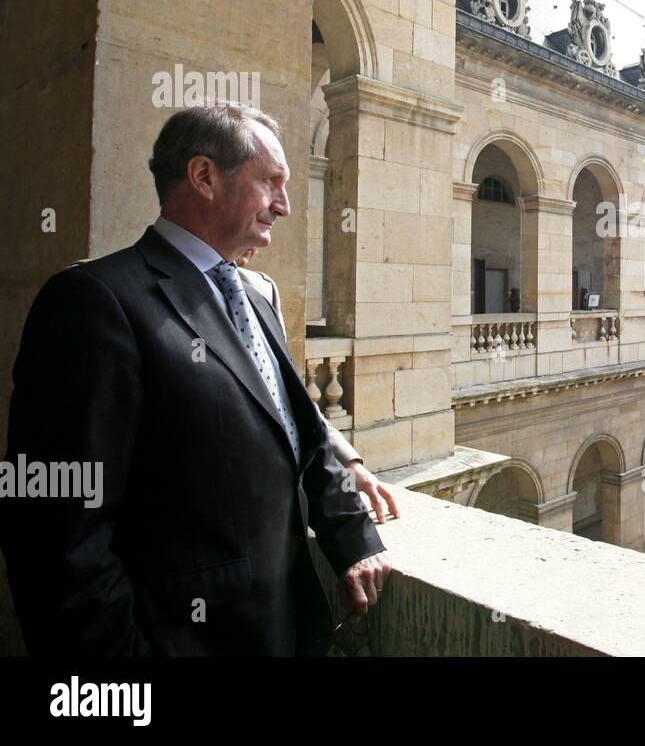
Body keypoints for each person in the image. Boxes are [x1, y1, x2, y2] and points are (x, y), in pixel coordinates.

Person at [1, 103, 391, 655]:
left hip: (284, 630)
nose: (283, 205)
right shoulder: (94, 301)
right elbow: (56, 537)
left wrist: (354, 538)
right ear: (204, 176)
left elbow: (296, 425)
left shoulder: (257, 295)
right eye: (271, 183)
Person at [236, 247, 399, 525]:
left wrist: (348, 462)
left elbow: (287, 395)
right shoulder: (140, 290)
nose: (279, 209)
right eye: (260, 201)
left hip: (275, 515)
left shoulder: (261, 288)